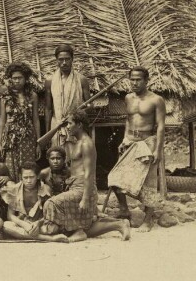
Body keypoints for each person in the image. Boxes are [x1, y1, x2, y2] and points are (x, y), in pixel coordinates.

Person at [42, 111, 130, 242]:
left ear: (79, 125)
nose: (67, 126)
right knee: (85, 227)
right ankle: (119, 225)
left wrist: (85, 198)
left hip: (83, 188)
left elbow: (89, 173)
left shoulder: (86, 144)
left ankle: (116, 225)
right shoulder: (77, 142)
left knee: (51, 203)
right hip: (75, 186)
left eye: (70, 123)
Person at [106, 67, 166, 232]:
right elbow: (128, 119)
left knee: (148, 183)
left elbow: (161, 126)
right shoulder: (128, 98)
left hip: (148, 142)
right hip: (130, 141)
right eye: (132, 79)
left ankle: (148, 219)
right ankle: (124, 210)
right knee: (115, 177)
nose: (135, 82)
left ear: (147, 80)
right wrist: (124, 139)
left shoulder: (156, 100)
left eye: (138, 79)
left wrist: (158, 150)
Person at [1, 163, 68, 243]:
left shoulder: (46, 189)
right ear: (20, 177)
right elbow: (10, 215)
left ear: (37, 176)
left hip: (40, 224)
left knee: (53, 228)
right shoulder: (14, 189)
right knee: (6, 225)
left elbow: (50, 214)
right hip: (22, 223)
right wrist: (24, 224)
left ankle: (26, 235)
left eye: (32, 177)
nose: (29, 181)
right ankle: (48, 238)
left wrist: (38, 223)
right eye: (25, 177)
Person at [0, 62, 40, 181]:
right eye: (14, 78)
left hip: (28, 137)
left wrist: (38, 143)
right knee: (10, 168)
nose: (17, 81)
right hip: (10, 136)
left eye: (20, 78)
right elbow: (2, 120)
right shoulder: (5, 97)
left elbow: (36, 119)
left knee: (27, 167)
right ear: (10, 79)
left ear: (26, 79)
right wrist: (0, 144)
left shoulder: (32, 96)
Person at [43, 44, 90, 147]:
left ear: (72, 59)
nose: (64, 63)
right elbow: (48, 109)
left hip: (75, 126)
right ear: (56, 60)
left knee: (76, 157)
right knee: (57, 157)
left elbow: (89, 106)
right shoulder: (50, 81)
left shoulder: (81, 80)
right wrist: (47, 133)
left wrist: (75, 116)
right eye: (61, 59)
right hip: (56, 124)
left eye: (67, 59)